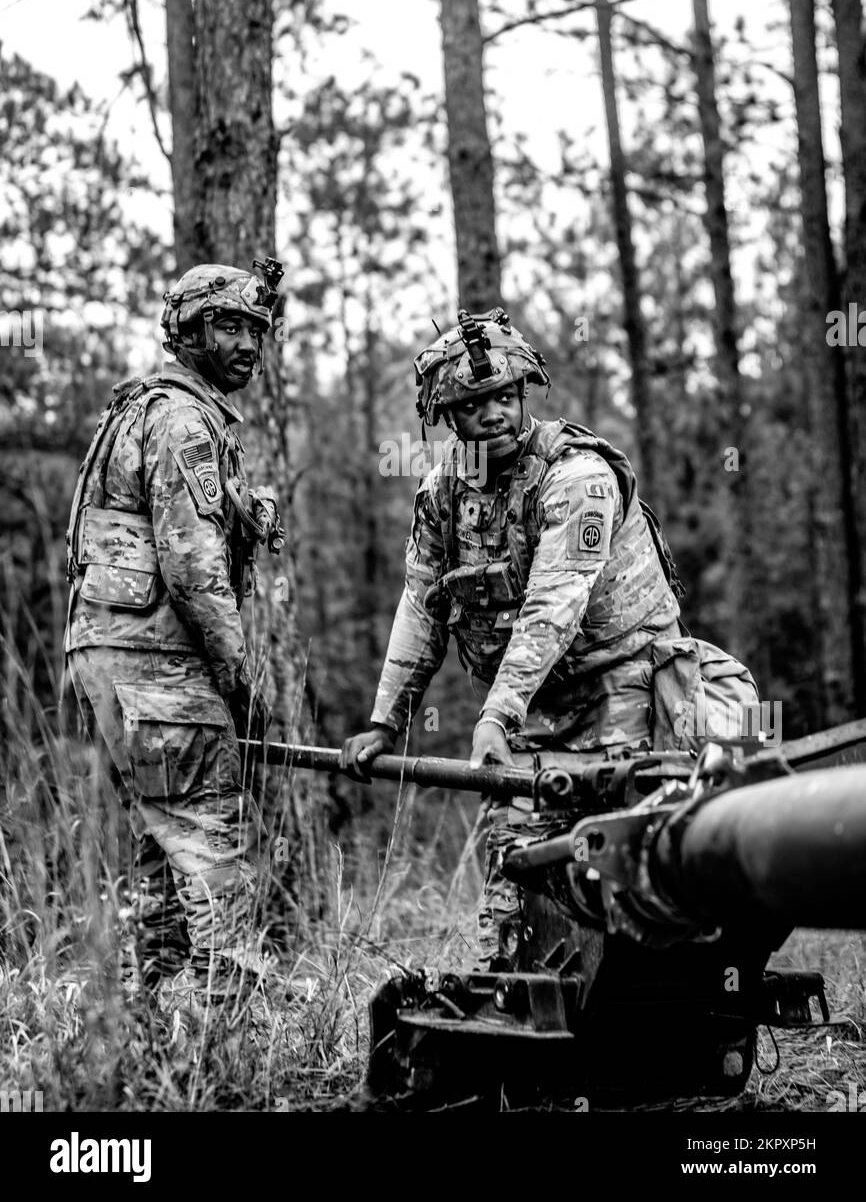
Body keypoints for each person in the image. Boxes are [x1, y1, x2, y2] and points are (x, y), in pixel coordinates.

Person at [339, 307, 690, 970]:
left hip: (626, 699)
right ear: (447, 415)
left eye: (505, 396)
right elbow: (421, 603)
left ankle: (652, 1023)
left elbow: (556, 604)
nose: (495, 414)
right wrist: (387, 721)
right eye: (474, 404)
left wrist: (495, 714)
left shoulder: (578, 476)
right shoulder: (443, 490)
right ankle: (520, 1024)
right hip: (534, 713)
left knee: (626, 868)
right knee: (517, 875)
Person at [65, 260, 286, 1003]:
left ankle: (149, 1041)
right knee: (210, 850)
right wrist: (238, 672)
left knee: (159, 854)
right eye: (229, 327)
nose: (248, 345)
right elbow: (192, 565)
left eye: (257, 330)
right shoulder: (183, 420)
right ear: (186, 332)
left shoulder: (140, 409)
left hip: (111, 662)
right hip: (156, 663)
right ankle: (233, 1049)